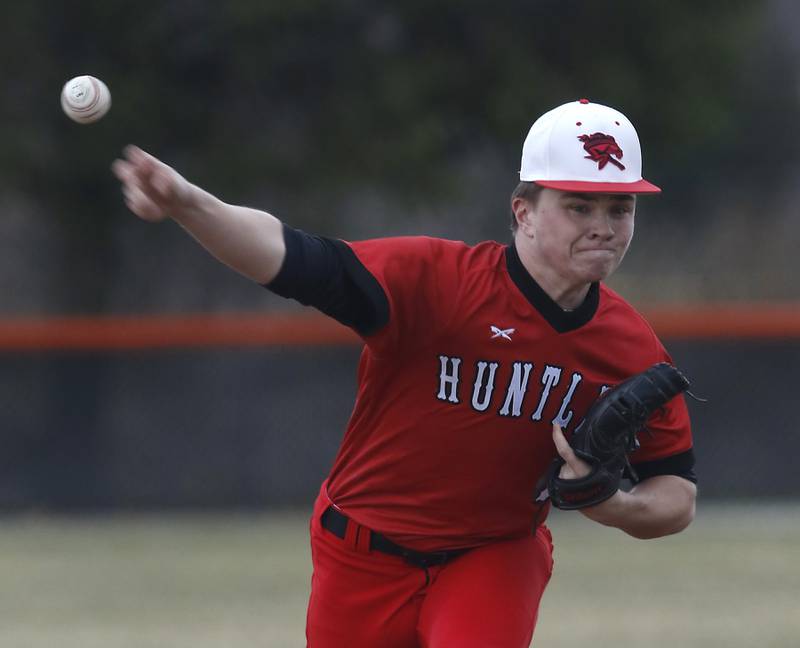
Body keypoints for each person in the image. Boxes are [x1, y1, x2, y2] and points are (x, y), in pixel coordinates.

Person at [112, 98, 697, 648]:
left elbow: (677, 492)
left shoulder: (630, 348)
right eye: (579, 206)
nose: (603, 226)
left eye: (620, 208)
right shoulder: (437, 283)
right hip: (361, 548)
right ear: (523, 212)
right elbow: (289, 257)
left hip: (495, 553)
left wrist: (614, 506)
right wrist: (188, 203)